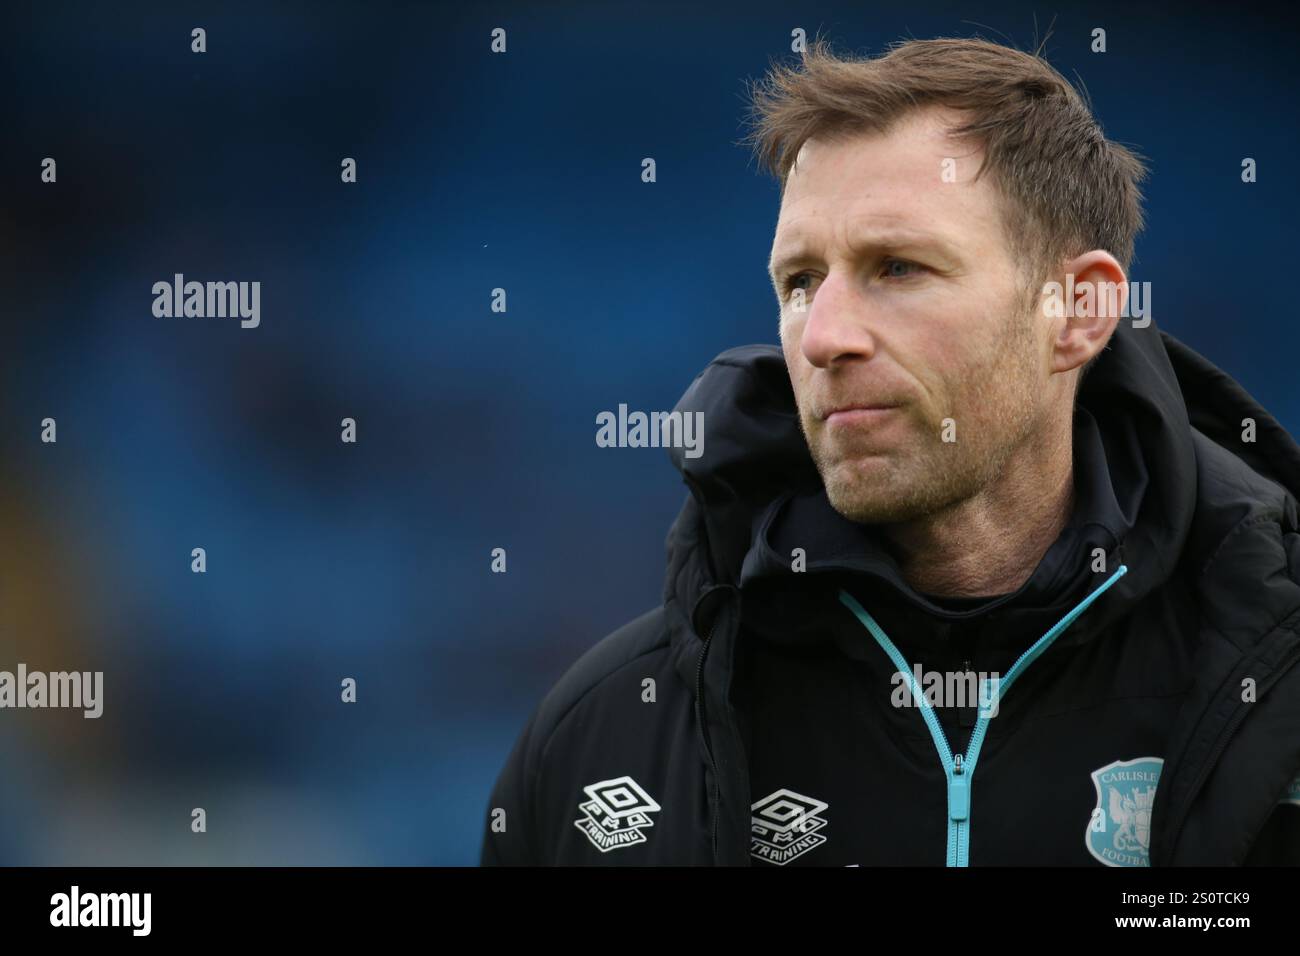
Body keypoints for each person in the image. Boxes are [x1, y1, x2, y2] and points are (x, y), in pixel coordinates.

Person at [480, 37, 1300, 866]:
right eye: (800, 282)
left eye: (898, 267)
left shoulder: (1272, 689)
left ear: (1079, 310)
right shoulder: (596, 742)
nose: (825, 337)